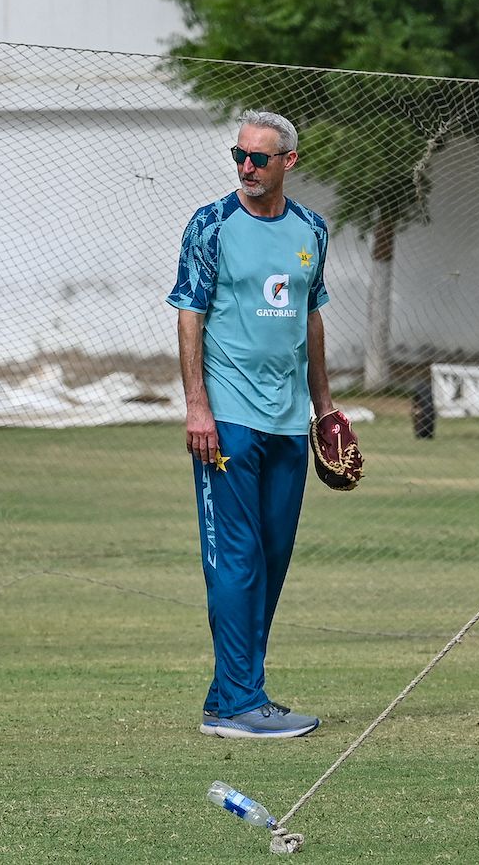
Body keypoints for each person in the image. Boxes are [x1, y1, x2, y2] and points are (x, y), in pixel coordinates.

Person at [167, 111, 336, 739]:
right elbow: (190, 316)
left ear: (287, 161)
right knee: (235, 559)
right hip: (228, 419)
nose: (245, 167)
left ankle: (228, 695)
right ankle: (242, 703)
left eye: (258, 158)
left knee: (271, 557)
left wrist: (325, 410)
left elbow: (312, 320)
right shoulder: (211, 225)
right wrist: (197, 406)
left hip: (290, 422)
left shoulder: (312, 230)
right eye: (238, 155)